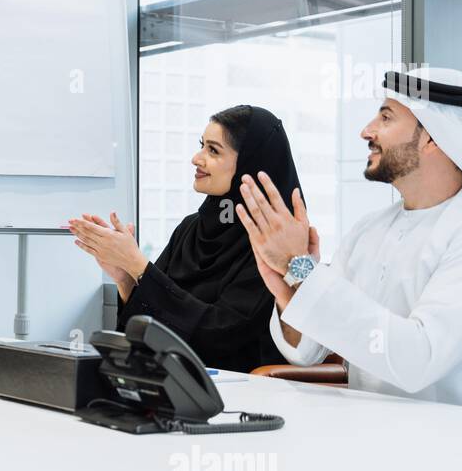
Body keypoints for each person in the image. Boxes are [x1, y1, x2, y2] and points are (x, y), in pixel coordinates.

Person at [236, 68, 462, 423]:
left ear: (432, 136)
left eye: (386, 117)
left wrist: (301, 269)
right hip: (378, 439)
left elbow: (417, 358)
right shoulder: (369, 230)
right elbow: (306, 351)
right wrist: (290, 286)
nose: (366, 131)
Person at [68, 106, 301, 373]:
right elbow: (155, 320)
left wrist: (138, 266)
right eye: (202, 146)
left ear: (251, 162)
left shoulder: (276, 243)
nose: (196, 158)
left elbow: (220, 335)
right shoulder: (191, 228)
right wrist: (125, 278)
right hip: (170, 382)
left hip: (245, 392)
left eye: (213, 150)